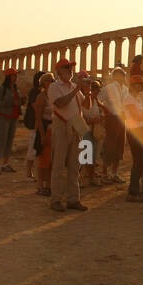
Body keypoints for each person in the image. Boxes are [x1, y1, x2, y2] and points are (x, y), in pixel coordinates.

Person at [47, 59, 88, 213]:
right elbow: (60, 103)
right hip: (62, 125)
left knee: (74, 165)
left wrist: (87, 91)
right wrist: (77, 89)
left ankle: (73, 199)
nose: (70, 70)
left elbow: (86, 105)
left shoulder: (72, 87)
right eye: (67, 67)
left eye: (71, 67)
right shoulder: (54, 87)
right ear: (59, 71)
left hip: (75, 125)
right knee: (58, 164)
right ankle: (55, 199)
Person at [0, 67, 23, 174]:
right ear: (9, 77)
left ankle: (5, 164)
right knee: (2, 141)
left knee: (9, 141)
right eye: (14, 75)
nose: (16, 77)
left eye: (16, 75)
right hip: (4, 116)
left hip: (14, 117)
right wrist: (11, 102)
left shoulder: (16, 88)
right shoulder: (2, 89)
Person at [124, 72, 143, 202]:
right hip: (135, 131)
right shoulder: (129, 98)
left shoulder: (136, 98)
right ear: (134, 85)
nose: (142, 87)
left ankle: (135, 190)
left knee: (140, 161)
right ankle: (133, 192)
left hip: (140, 131)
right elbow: (138, 117)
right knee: (139, 161)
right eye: (140, 84)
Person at [99, 66, 128, 183]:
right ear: (115, 76)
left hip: (122, 119)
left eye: (123, 74)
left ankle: (114, 173)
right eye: (120, 74)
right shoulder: (109, 88)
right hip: (112, 118)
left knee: (119, 146)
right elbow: (98, 100)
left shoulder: (125, 89)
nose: (123, 76)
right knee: (109, 146)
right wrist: (104, 113)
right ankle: (105, 173)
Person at [31, 73, 54, 196]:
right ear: (43, 83)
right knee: (43, 160)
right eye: (48, 81)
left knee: (51, 160)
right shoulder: (41, 97)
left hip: (53, 130)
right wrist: (42, 134)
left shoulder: (53, 96)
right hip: (44, 130)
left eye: (51, 80)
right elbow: (38, 118)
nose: (50, 83)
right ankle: (40, 186)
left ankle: (49, 185)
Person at [24, 72, 42, 179]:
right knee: (32, 147)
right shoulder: (34, 92)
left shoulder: (40, 91)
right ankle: (28, 171)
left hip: (40, 123)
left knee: (38, 148)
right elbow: (35, 107)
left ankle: (34, 172)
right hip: (34, 123)